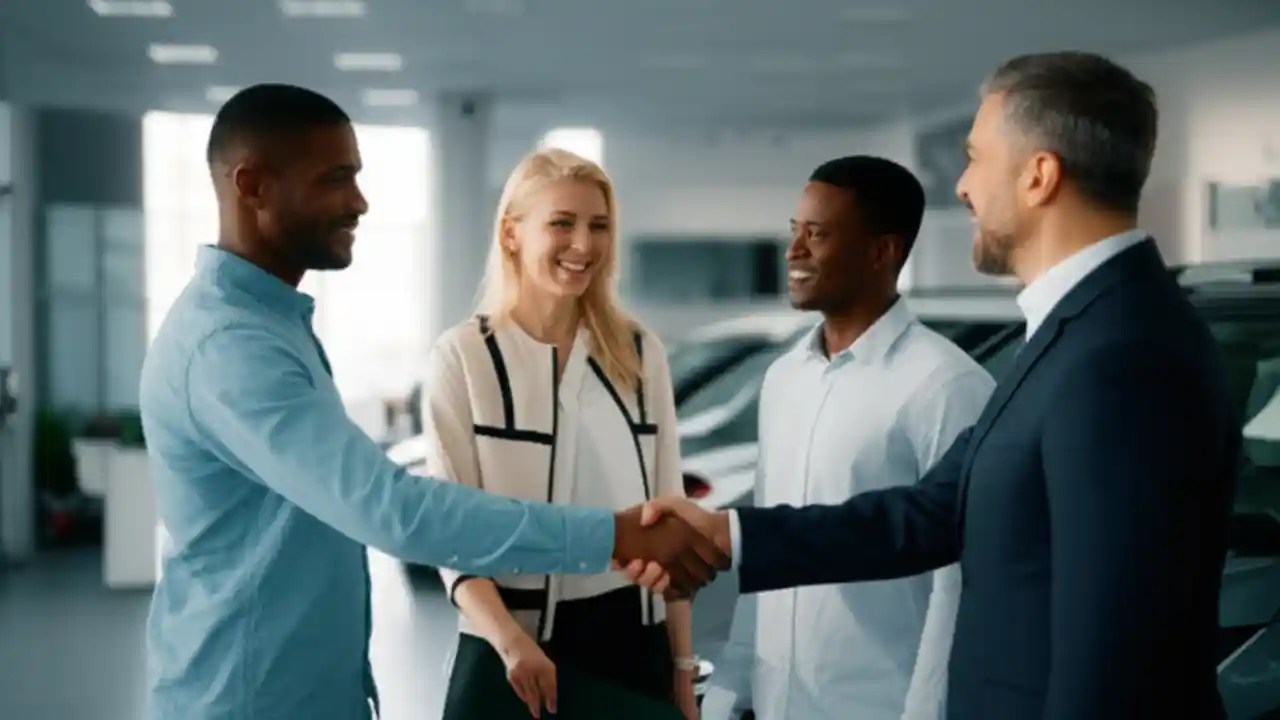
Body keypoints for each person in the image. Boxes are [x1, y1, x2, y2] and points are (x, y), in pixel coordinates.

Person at [630, 52, 1239, 719]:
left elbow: (1116, 656)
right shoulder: (1076, 332)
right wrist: (726, 535)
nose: (962, 187)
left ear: (1039, 176)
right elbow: (930, 514)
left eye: (975, 158)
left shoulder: (1124, 355)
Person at [138, 84, 726, 720]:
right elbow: (394, 512)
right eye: (337, 179)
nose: (359, 202)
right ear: (252, 186)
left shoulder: (274, 325)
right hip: (251, 701)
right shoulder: (232, 347)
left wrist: (679, 657)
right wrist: (613, 534)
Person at [700, 157, 994, 720]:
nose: (794, 252)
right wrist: (733, 683)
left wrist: (927, 712)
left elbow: (957, 582)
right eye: (794, 232)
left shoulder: (945, 385)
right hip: (777, 704)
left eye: (817, 235)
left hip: (879, 706)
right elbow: (768, 544)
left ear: (882, 251)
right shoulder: (785, 377)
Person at [419, 147, 700, 719]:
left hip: (630, 643)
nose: (584, 245)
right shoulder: (465, 357)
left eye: (598, 226)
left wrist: (682, 668)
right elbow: (449, 535)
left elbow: (670, 529)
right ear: (512, 233)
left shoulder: (640, 353)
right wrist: (511, 642)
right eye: (561, 224)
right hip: (510, 651)